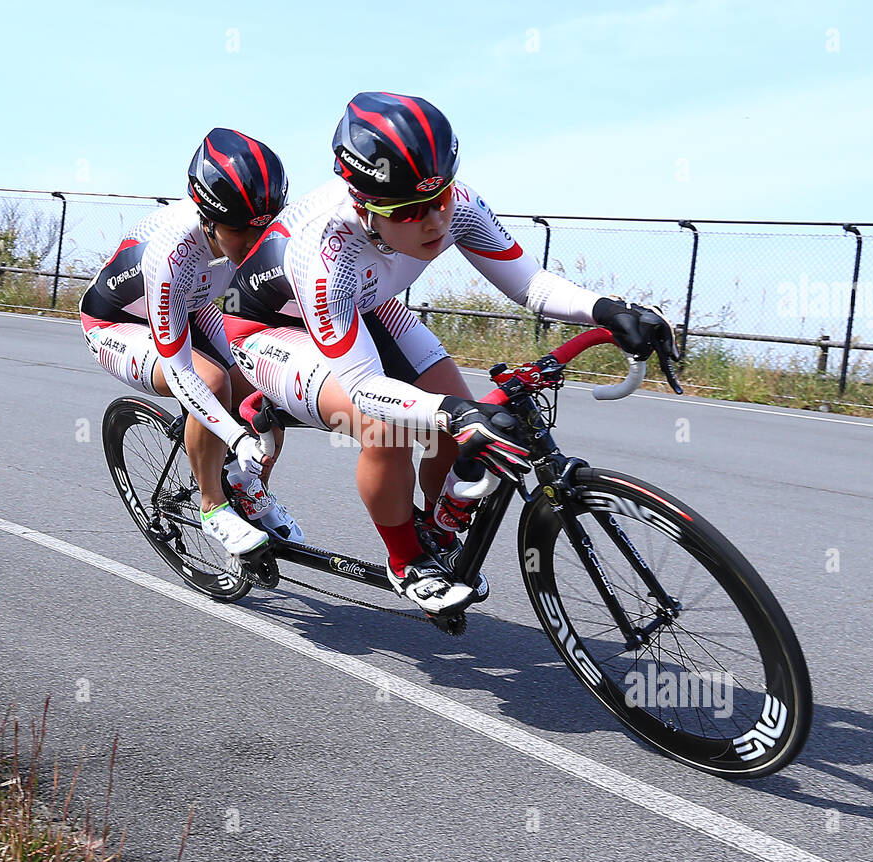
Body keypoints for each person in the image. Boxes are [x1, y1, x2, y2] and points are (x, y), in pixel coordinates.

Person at [222, 92, 678, 614]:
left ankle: (436, 531)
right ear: (362, 206)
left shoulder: (454, 204)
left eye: (440, 199)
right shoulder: (325, 248)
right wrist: (452, 415)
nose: (435, 222)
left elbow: (529, 284)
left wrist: (607, 310)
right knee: (387, 427)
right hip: (267, 328)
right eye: (411, 212)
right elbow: (365, 389)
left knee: (456, 416)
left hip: (366, 303)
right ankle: (405, 560)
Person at [80, 128, 303, 556]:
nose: (257, 242)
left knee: (262, 391)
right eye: (243, 231)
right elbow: (182, 373)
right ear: (208, 219)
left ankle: (252, 493)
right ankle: (212, 505)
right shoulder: (170, 251)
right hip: (115, 323)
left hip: (192, 303)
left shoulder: (243, 231)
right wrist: (236, 440)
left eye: (266, 228)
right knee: (211, 383)